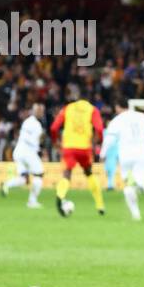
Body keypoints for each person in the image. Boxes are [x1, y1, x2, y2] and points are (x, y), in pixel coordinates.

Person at [102, 102, 144, 220]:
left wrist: (103, 154)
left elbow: (109, 138)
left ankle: (136, 214)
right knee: (141, 183)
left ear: (117, 107)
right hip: (142, 154)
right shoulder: (142, 117)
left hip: (125, 155)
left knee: (128, 186)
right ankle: (140, 185)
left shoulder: (117, 120)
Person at [49, 84, 105, 216]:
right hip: (84, 148)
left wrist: (55, 142)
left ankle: (60, 195)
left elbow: (53, 128)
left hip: (68, 147)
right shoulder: (92, 110)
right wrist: (97, 142)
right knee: (89, 173)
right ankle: (100, 205)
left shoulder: (68, 109)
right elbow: (100, 129)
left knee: (67, 174)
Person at [1, 103, 45, 208]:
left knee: (24, 179)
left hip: (18, 151)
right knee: (39, 174)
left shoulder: (27, 121)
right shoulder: (37, 126)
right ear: (37, 111)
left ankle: (6, 185)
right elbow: (34, 142)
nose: (42, 113)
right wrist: (39, 149)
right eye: (41, 111)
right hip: (28, 152)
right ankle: (32, 201)